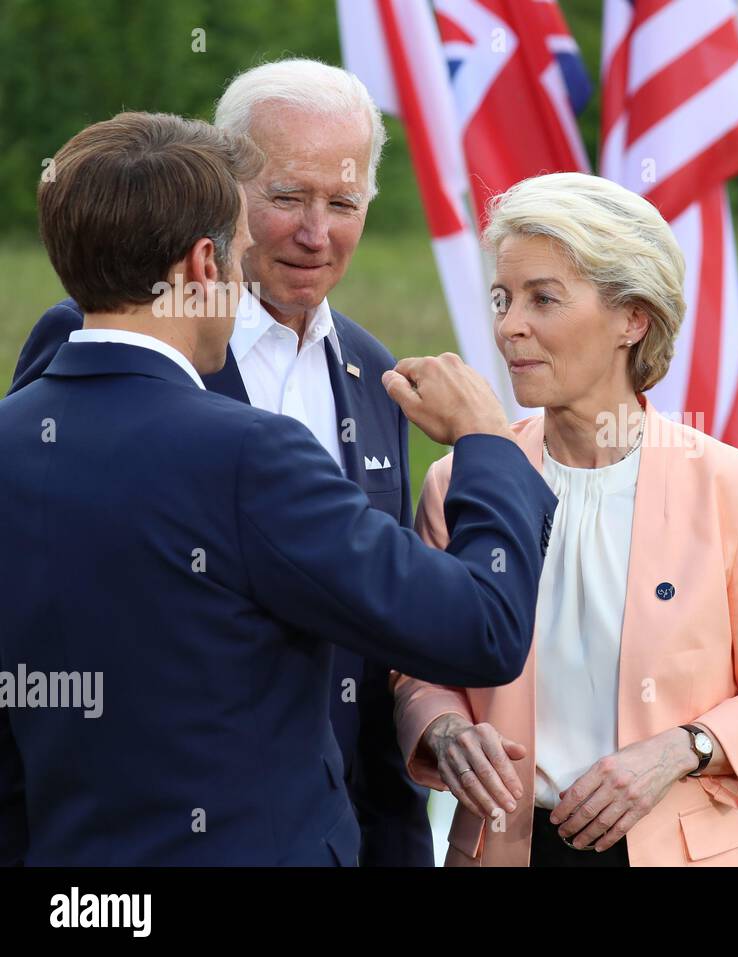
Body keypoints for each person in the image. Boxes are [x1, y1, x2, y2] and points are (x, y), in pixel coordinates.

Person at [0, 112, 555, 866]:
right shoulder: (248, 454)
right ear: (203, 263)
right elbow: (481, 627)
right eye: (236, 251)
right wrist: (488, 446)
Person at [391, 173, 738, 866]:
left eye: (543, 298)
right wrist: (443, 727)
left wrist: (682, 748)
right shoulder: (458, 483)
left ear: (633, 318)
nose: (509, 325)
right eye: (503, 298)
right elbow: (415, 665)